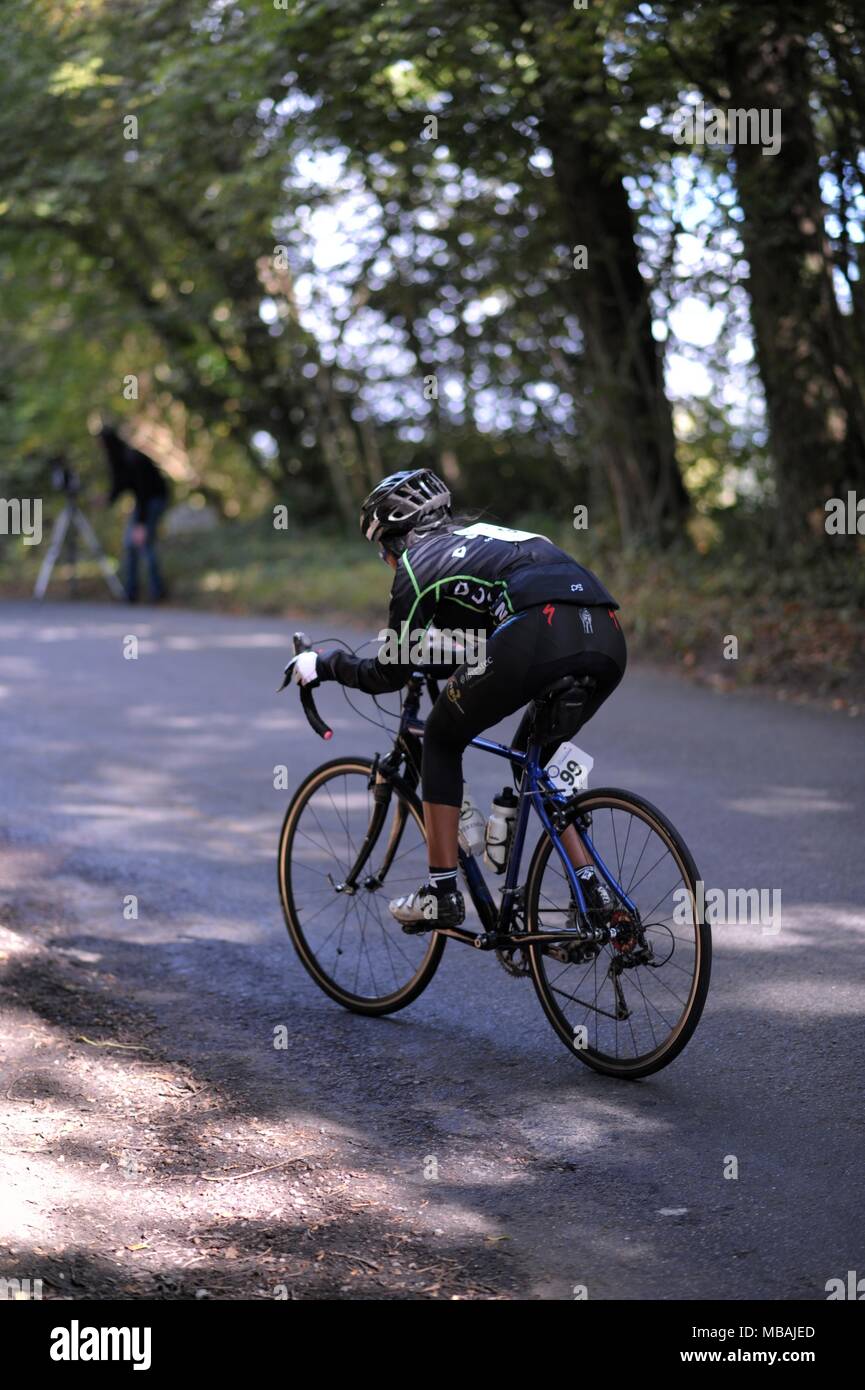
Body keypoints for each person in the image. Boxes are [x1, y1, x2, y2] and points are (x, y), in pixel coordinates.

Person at [292, 469, 627, 932]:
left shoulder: (415, 564)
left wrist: (326, 664)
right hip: (607, 633)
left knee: (441, 737)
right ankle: (596, 894)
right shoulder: (489, 540)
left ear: (394, 540)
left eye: (381, 549)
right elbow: (485, 640)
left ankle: (442, 892)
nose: (385, 560)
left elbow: (387, 672)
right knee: (536, 764)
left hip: (537, 632)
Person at [99, 425, 171, 602]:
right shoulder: (120, 462)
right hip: (144, 503)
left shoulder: (133, 459)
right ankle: (132, 591)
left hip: (153, 501)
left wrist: (141, 524)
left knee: (144, 543)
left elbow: (144, 492)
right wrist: (106, 499)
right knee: (131, 545)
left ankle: (157, 590)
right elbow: (120, 485)